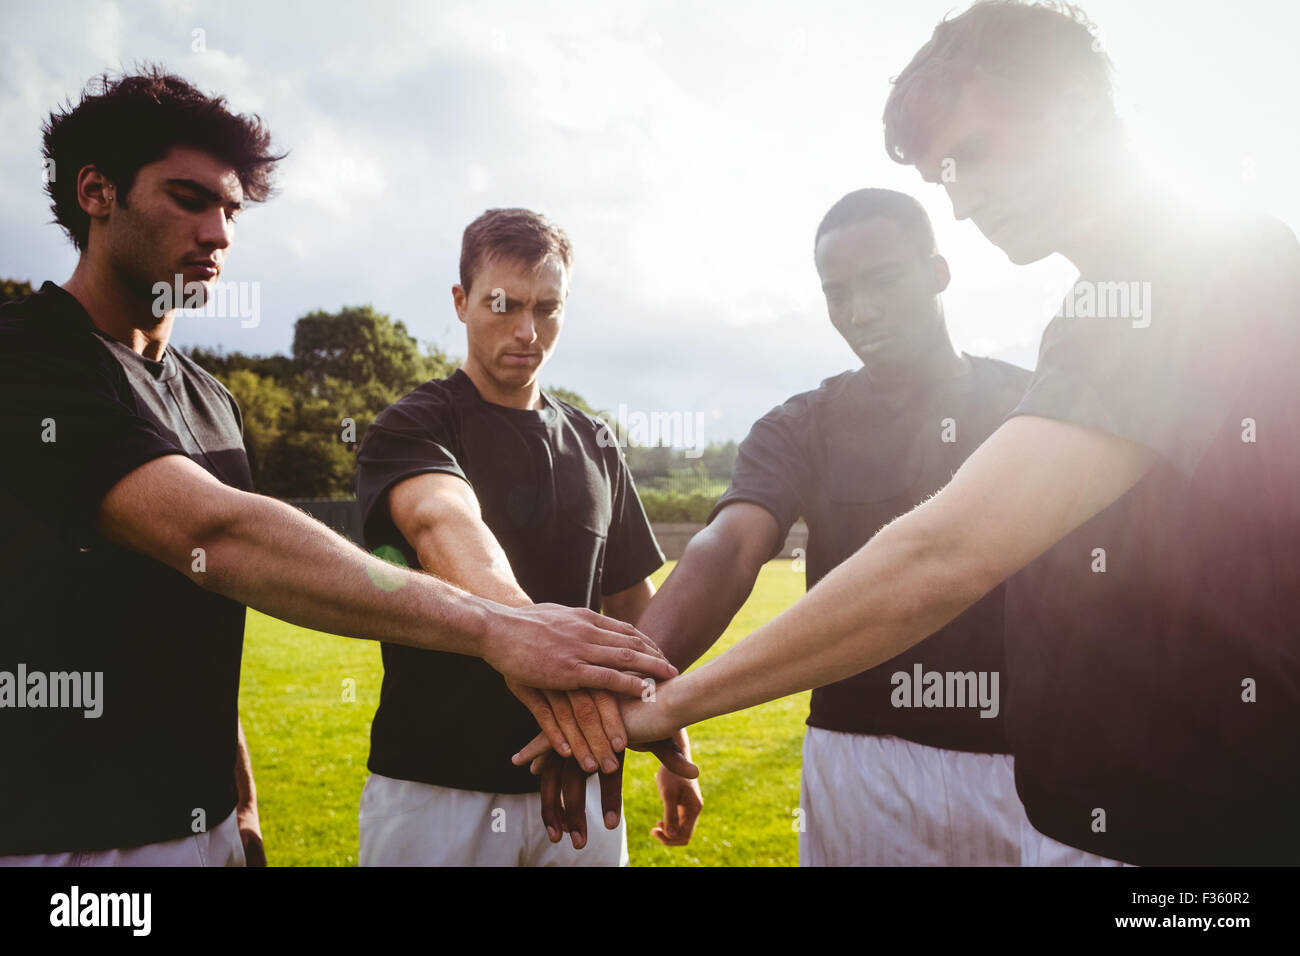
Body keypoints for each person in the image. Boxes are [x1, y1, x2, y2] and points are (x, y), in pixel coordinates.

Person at [519, 0, 1300, 866]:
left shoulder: (1197, 270)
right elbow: (728, 551)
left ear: (1069, 110)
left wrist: (666, 707)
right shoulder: (1101, 309)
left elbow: (945, 554)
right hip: (1131, 807)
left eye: (974, 155)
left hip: (1224, 817)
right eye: (944, 177)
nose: (963, 201)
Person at [0, 68, 675, 867]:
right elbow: (219, 535)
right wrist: (503, 627)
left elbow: (198, 612)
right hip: (62, 839)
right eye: (189, 199)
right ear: (96, 191)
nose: (218, 232)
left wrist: (240, 803)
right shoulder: (27, 357)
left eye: (230, 210)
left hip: (202, 825)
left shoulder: (212, 401)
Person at [536, 188, 1031, 865]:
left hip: (1028, 757)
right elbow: (730, 547)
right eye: (838, 293)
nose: (861, 311)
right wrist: (611, 701)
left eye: (883, 280)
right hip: (859, 763)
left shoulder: (1032, 406)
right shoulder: (801, 424)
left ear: (938, 271)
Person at [353, 207, 700, 866]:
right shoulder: (412, 425)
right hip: (436, 788)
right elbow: (442, 524)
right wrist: (531, 638)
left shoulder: (597, 443)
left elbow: (633, 607)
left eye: (548, 308)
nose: (527, 330)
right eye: (503, 305)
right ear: (460, 302)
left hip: (586, 779)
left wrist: (669, 724)